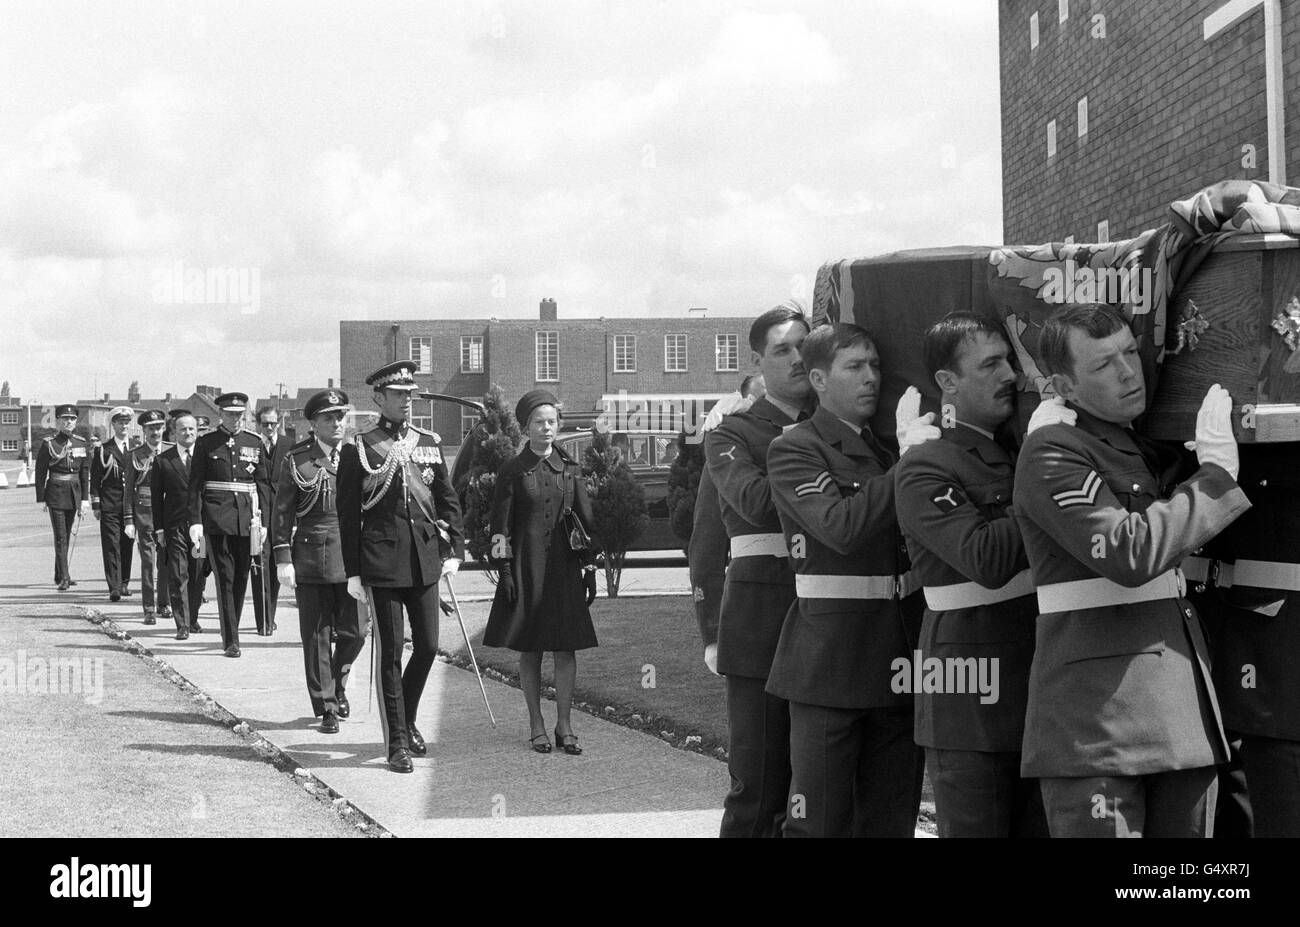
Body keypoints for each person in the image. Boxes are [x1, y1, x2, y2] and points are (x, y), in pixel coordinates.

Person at [1013, 304, 1251, 837]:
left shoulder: (1146, 445)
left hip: (1180, 708)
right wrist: (1213, 478)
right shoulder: (1052, 450)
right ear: (1062, 386)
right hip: (1097, 722)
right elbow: (1127, 552)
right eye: (1102, 365)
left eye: (1129, 354)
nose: (1127, 373)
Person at [765, 321, 938, 837]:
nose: (871, 378)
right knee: (817, 823)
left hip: (898, 658)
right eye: (854, 366)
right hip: (830, 662)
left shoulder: (888, 449)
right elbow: (841, 528)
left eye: (876, 366)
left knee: (889, 823)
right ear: (818, 379)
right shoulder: (796, 447)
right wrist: (908, 464)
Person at [894, 313, 1063, 837]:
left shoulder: (1013, 450)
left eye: (1008, 361)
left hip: (1043, 681)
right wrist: (1041, 469)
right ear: (947, 382)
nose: (1010, 375)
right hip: (969, 692)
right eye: (990, 364)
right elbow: (985, 560)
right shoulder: (927, 464)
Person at [702, 303, 815, 837]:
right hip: (763, 622)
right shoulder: (733, 433)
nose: (797, 359)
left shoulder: (846, 423)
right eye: (782, 350)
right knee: (761, 783)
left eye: (804, 346)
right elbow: (750, 504)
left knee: (824, 787)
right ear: (758, 360)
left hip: (836, 621)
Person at [338, 360, 464, 773]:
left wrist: (455, 551)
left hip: (425, 559)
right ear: (378, 397)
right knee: (391, 651)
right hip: (382, 562)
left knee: (427, 646)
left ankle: (405, 717)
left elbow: (447, 499)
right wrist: (354, 571)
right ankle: (396, 742)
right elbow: (347, 514)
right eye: (398, 395)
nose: (406, 401)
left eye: (409, 394)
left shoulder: (427, 442)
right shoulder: (359, 446)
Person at [484, 389, 599, 755]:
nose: (546, 428)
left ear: (558, 425)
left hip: (564, 571)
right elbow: (499, 528)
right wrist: (505, 570)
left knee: (566, 649)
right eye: (538, 422)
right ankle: (536, 725)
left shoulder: (570, 468)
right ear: (526, 427)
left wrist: (590, 566)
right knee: (531, 650)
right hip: (526, 569)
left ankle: (564, 724)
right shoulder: (512, 471)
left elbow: (586, 522)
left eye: (551, 421)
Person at [272, 389, 366, 734]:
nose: (337, 423)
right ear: (314, 424)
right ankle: (326, 705)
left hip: (353, 556)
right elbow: (281, 511)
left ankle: (339, 683)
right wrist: (283, 557)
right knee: (317, 636)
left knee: (356, 632)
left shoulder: (358, 456)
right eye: (329, 418)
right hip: (311, 554)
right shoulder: (298, 459)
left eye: (341, 416)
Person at [188, 392, 271, 657]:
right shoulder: (206, 443)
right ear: (220, 415)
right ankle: (231, 639)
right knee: (224, 576)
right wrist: (196, 521)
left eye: (239, 414)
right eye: (230, 414)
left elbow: (264, 485)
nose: (236, 419)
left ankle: (231, 629)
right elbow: (195, 487)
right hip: (216, 517)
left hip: (246, 519)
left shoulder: (254, 443)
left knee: (241, 578)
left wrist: (265, 522)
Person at [153, 413, 205, 639]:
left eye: (192, 429)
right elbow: (156, 498)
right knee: (177, 573)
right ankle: (182, 624)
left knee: (198, 573)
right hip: (175, 528)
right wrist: (160, 530)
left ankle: (193, 618)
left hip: (200, 529)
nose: (188, 433)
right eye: (183, 429)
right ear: (174, 432)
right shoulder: (163, 460)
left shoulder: (206, 459)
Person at [34, 405, 91, 590]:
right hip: (56, 492)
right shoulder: (50, 443)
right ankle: (65, 577)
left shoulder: (81, 442)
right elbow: (41, 471)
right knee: (61, 537)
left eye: (72, 419)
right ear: (58, 421)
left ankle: (59, 573)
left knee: (66, 532)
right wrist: (41, 497)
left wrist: (84, 499)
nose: (69, 422)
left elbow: (84, 472)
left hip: (74, 492)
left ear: (76, 421)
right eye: (64, 419)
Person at [124, 410, 172, 625]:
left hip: (169, 513)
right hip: (145, 514)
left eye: (159, 427)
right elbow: (128, 491)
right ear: (144, 431)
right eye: (151, 428)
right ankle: (149, 608)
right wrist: (128, 520)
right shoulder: (135, 454)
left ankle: (164, 603)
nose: (156, 432)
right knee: (148, 563)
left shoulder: (171, 451)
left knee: (166, 561)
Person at [251, 405, 292, 634]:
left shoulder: (288, 445)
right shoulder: (252, 445)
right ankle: (263, 621)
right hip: (259, 515)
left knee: (279, 566)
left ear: (279, 422)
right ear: (258, 423)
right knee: (260, 566)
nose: (268, 427)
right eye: (265, 423)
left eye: (272, 423)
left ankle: (271, 615)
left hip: (283, 514)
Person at [91, 406, 136, 601]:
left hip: (131, 506)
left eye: (126, 422)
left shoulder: (136, 448)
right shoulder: (103, 449)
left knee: (127, 544)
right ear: (113, 425)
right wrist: (96, 504)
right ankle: (114, 586)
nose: (124, 426)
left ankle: (124, 582)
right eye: (120, 422)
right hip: (110, 504)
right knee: (111, 545)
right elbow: (95, 480)